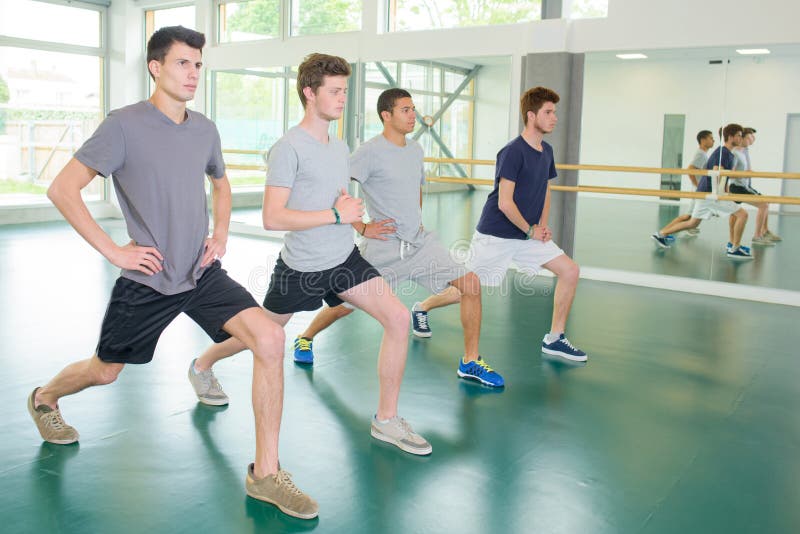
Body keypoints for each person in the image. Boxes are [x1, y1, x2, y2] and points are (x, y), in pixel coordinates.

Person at [25, 27, 317, 519]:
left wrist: (220, 234)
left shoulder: (204, 128)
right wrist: (115, 252)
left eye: (198, 65)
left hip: (200, 272)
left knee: (269, 338)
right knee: (105, 371)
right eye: (183, 63)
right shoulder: (122, 126)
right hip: (149, 278)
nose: (193, 74)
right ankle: (44, 397)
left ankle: (266, 474)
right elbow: (63, 189)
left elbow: (221, 185)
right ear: (155, 67)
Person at [190, 54, 432, 462]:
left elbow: (338, 201)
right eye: (334, 91)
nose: (342, 99)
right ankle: (202, 364)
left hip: (344, 259)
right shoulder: (287, 149)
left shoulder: (339, 146)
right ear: (309, 93)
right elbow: (273, 216)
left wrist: (358, 224)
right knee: (259, 335)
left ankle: (386, 419)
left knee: (397, 317)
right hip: (301, 268)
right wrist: (337, 214)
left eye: (344, 91)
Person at [291, 88, 504, 388]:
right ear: (386, 116)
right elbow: (337, 187)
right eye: (405, 110)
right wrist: (362, 227)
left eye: (413, 108)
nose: (413, 114)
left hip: (419, 243)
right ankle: (305, 337)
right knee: (345, 306)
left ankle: (470, 361)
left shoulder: (415, 149)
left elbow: (416, 188)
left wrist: (414, 221)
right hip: (383, 249)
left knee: (471, 284)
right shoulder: (369, 152)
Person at [466, 86, 587, 362]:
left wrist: (541, 227)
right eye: (548, 112)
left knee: (570, 271)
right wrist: (531, 229)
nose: (554, 117)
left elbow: (545, 189)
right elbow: (505, 203)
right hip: (496, 235)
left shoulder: (546, 151)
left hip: (527, 236)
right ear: (531, 116)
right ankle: (422, 307)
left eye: (554, 112)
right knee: (465, 289)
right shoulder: (512, 152)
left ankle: (555, 339)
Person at [651, 123, 752, 260]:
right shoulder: (723, 153)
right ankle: (735, 248)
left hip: (705, 193)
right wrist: (721, 195)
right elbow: (717, 172)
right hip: (710, 194)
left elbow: (724, 177)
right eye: (739, 136)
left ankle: (661, 234)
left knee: (693, 223)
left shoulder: (729, 154)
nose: (741, 138)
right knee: (742, 215)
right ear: (730, 137)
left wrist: (726, 194)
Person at [729, 127, 781, 245]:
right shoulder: (735, 153)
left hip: (744, 186)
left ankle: (763, 231)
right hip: (738, 187)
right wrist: (745, 173)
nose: (752, 140)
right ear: (741, 138)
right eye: (749, 137)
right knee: (763, 205)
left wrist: (749, 172)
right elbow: (730, 174)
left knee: (736, 213)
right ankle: (757, 236)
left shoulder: (743, 151)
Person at [663, 130, 715, 241]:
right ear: (703, 140)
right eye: (710, 138)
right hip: (698, 190)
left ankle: (666, 232)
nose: (713, 140)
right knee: (687, 216)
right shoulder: (700, 154)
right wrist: (697, 186)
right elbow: (690, 170)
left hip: (699, 189)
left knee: (690, 216)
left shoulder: (703, 154)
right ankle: (663, 232)